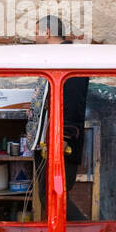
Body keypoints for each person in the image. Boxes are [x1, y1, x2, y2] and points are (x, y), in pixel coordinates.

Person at [35, 15, 88, 220]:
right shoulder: (57, 57)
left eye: (35, 32)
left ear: (46, 33)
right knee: (47, 196)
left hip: (60, 145)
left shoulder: (69, 59)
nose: (34, 38)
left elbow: (73, 103)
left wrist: (62, 139)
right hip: (51, 143)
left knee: (53, 198)